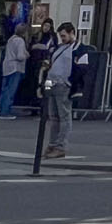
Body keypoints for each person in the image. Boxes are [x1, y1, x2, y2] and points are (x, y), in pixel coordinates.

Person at [41, 24, 86, 158]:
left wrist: (70, 83)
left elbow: (82, 68)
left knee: (64, 117)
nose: (62, 38)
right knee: (54, 117)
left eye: (64, 36)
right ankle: (53, 144)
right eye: (61, 36)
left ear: (72, 33)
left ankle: (60, 146)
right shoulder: (58, 48)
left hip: (63, 85)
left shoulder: (78, 49)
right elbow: (51, 67)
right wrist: (46, 87)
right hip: (53, 82)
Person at [0, 24, 29, 117]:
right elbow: (20, 56)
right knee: (11, 90)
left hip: (7, 66)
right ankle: (5, 111)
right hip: (15, 68)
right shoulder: (20, 41)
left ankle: (0, 108)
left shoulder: (11, 39)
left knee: (5, 89)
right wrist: (26, 55)